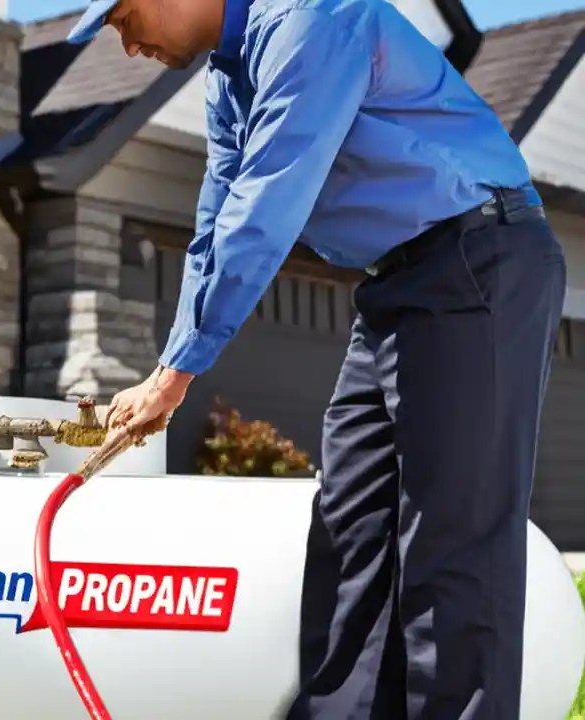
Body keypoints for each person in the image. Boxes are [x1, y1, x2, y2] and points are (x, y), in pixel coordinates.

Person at [76, 0, 568, 716]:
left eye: (124, 19)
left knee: (451, 539)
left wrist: (176, 374)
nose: (127, 46)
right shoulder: (229, 75)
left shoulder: (310, 19)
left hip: (476, 260)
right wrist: (170, 363)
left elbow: (267, 206)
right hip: (397, 282)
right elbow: (216, 226)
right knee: (351, 528)